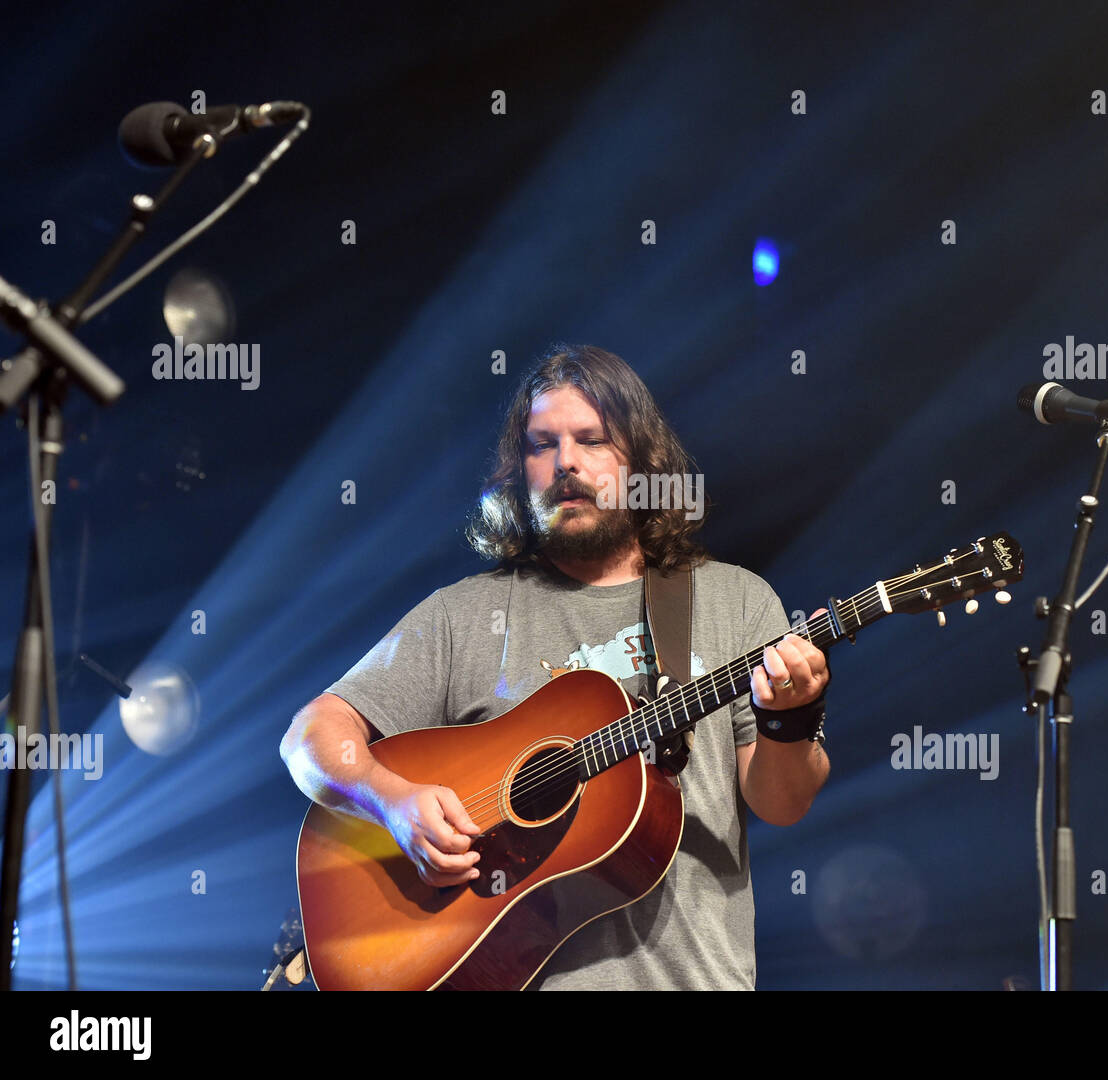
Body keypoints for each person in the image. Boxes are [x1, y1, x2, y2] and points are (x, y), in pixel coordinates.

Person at [279, 344, 831, 989]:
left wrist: (790, 722)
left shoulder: (735, 601)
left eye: (592, 440)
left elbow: (782, 803)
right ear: (520, 471)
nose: (566, 462)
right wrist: (394, 804)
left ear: (642, 462)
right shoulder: (463, 615)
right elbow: (308, 738)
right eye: (543, 445)